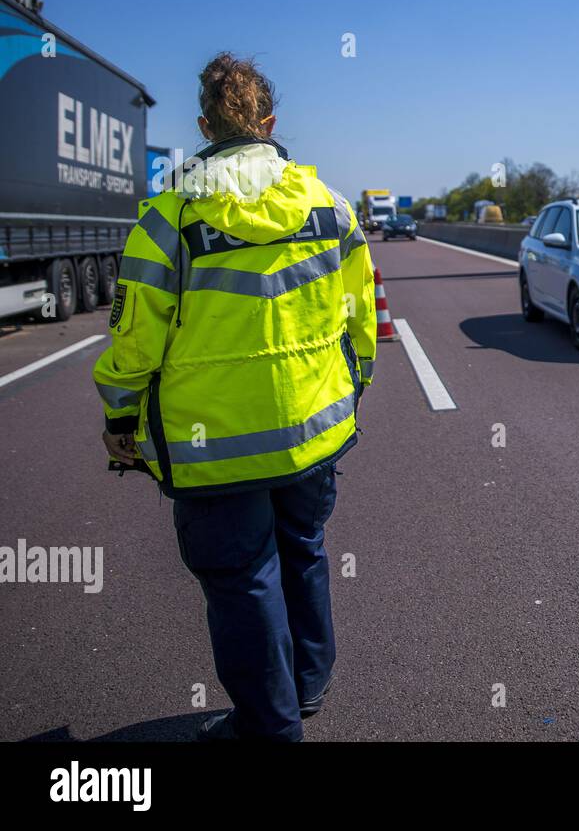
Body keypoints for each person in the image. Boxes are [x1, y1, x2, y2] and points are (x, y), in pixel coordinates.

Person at [93, 52, 377, 741]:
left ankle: (268, 727)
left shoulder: (168, 221)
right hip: (314, 431)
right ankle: (307, 685)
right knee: (303, 550)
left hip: (212, 447)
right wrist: (350, 386)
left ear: (203, 126)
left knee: (242, 578)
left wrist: (121, 415)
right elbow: (360, 316)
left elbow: (135, 341)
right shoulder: (329, 208)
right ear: (270, 124)